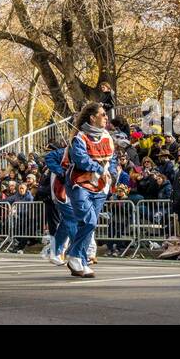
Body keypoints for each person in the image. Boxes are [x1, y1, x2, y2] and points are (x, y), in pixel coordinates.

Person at [65, 103, 119, 278]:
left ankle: (79, 260)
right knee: (89, 221)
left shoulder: (108, 138)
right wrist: (98, 168)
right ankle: (75, 255)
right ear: (92, 117)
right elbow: (80, 160)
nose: (106, 117)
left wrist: (111, 173)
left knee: (90, 223)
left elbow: (113, 159)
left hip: (100, 187)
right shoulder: (79, 138)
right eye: (103, 114)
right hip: (80, 184)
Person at [43, 139, 75, 265]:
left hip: (75, 192)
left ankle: (55, 252)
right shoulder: (64, 152)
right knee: (72, 219)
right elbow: (49, 156)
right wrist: (61, 172)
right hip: (62, 192)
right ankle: (77, 253)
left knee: (65, 223)